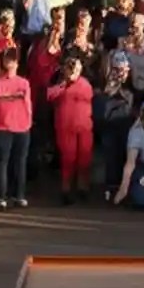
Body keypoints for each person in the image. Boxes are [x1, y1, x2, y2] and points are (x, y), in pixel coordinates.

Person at [0, 47, 33, 210]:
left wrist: (27, 123)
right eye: (7, 59)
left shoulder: (24, 83)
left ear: (17, 63)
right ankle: (2, 196)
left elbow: (28, 106)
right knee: (2, 163)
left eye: (13, 59)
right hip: (2, 128)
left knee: (19, 163)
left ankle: (19, 195)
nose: (10, 62)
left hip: (21, 127)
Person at [46, 56, 95, 204]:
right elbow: (50, 96)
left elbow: (88, 95)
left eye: (77, 67)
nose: (74, 70)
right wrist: (64, 84)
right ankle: (66, 189)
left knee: (84, 158)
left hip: (84, 127)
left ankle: (82, 188)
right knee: (68, 159)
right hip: (65, 127)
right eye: (71, 67)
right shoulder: (59, 84)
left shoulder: (85, 84)